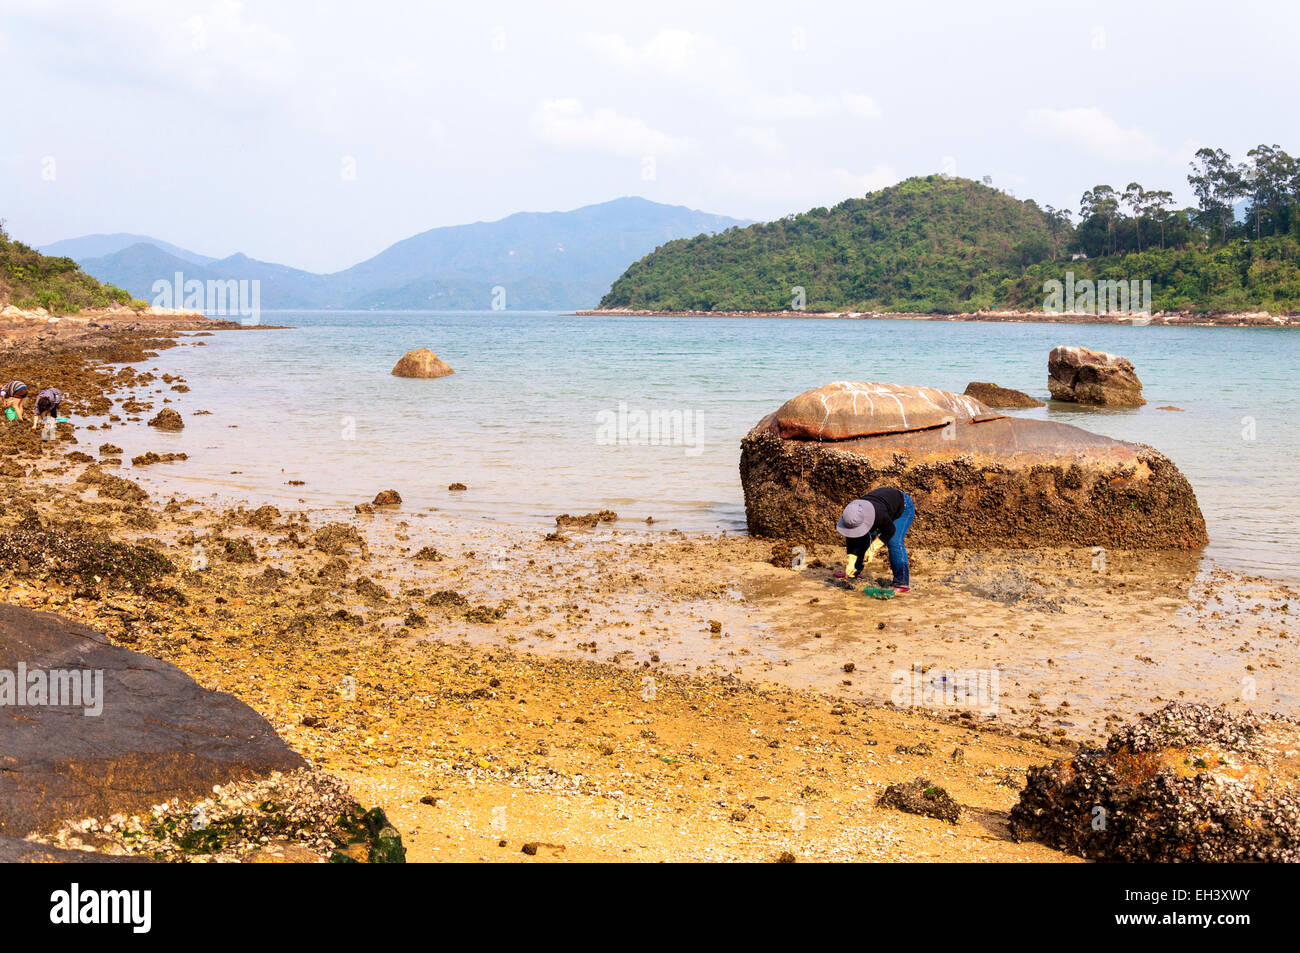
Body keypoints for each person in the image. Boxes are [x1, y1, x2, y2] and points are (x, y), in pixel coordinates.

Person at [834, 487, 915, 593]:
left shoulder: (879, 514)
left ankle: (902, 582)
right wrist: (851, 558)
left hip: (903, 507)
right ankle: (854, 572)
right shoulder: (850, 514)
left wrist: (872, 549)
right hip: (881, 505)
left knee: (894, 541)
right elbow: (851, 536)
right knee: (864, 537)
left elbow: (890, 530)